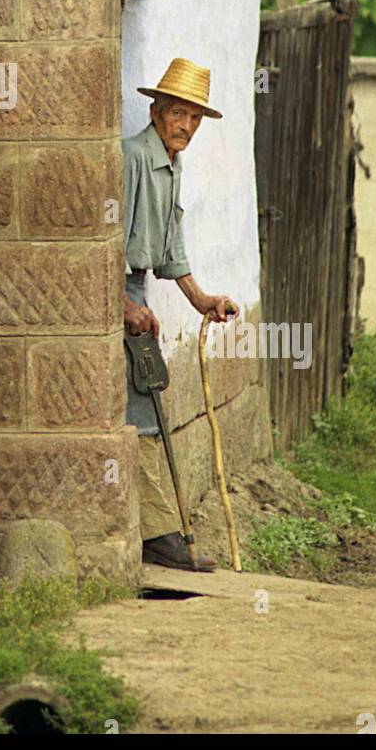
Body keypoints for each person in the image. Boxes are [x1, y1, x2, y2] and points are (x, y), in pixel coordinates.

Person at [123, 57, 239, 572]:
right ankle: (159, 534)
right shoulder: (131, 158)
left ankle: (156, 532)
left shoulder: (172, 163)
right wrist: (123, 304)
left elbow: (171, 251)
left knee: (146, 404)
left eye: (194, 117)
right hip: (116, 293)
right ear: (156, 110)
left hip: (136, 294)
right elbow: (101, 243)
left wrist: (203, 300)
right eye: (178, 113)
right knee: (143, 412)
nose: (186, 126)